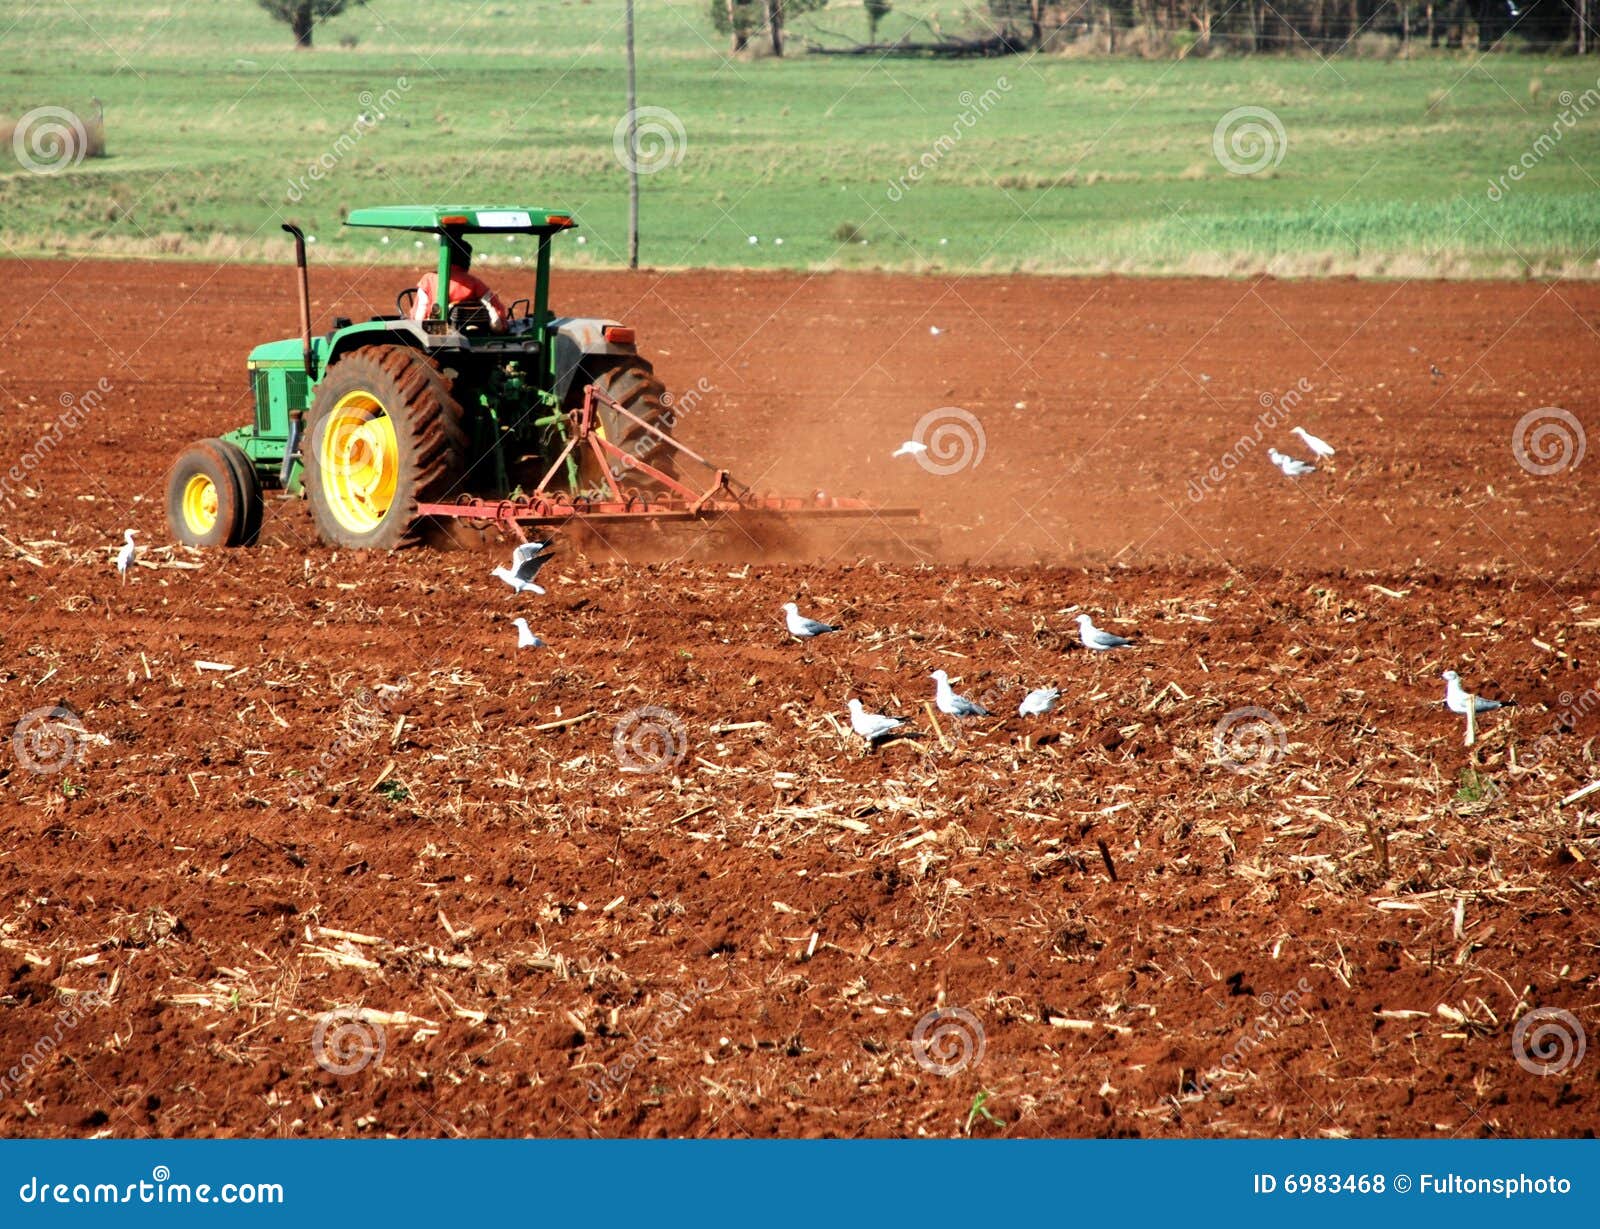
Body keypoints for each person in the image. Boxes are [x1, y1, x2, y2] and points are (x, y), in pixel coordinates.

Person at [411, 234, 509, 333]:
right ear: (466, 260)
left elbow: (419, 314)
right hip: (471, 330)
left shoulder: (428, 279)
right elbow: (495, 313)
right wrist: (501, 327)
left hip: (437, 330)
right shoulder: (474, 282)